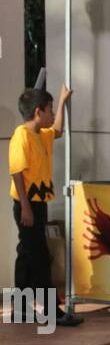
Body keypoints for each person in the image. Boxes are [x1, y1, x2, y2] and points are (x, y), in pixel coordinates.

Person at [8, 85, 83, 326]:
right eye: (49, 110)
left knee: (27, 253)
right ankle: (52, 311)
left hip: (39, 204)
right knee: (39, 257)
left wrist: (61, 101)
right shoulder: (22, 135)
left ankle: (20, 307)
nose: (51, 115)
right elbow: (17, 173)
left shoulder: (42, 134)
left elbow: (58, 129)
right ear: (38, 112)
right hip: (26, 204)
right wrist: (27, 208)